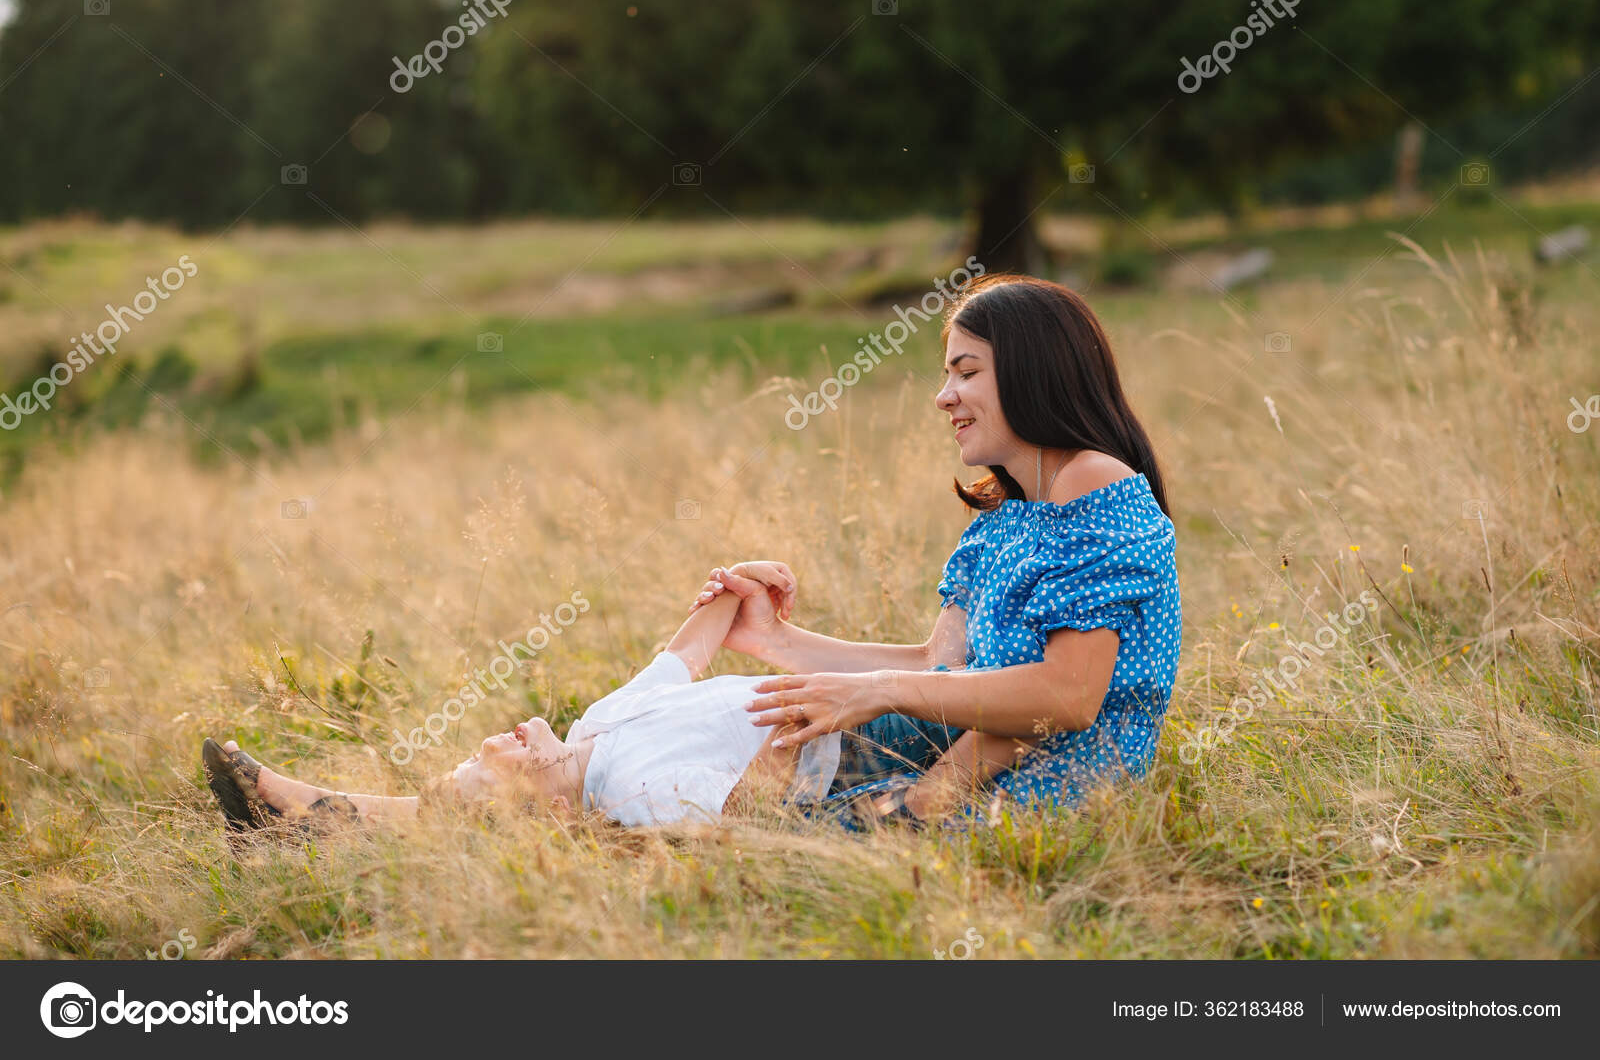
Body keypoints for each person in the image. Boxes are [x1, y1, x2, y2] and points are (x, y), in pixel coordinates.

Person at [689, 274, 1183, 827]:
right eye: (948, 374)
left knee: (786, 838)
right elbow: (938, 664)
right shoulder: (1003, 519)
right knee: (767, 755)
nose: (943, 396)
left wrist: (915, 786)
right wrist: (772, 638)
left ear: (1035, 374)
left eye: (967, 372)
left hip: (1048, 790)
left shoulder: (1092, 481)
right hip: (967, 751)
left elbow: (1068, 696)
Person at [202, 563, 849, 833]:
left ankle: (289, 811)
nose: (487, 741)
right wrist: (799, 713)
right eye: (486, 769)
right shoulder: (631, 791)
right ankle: (291, 812)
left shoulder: (599, 724)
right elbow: (755, 807)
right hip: (850, 735)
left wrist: (739, 578)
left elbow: (684, 655)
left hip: (843, 699)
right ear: (556, 814)